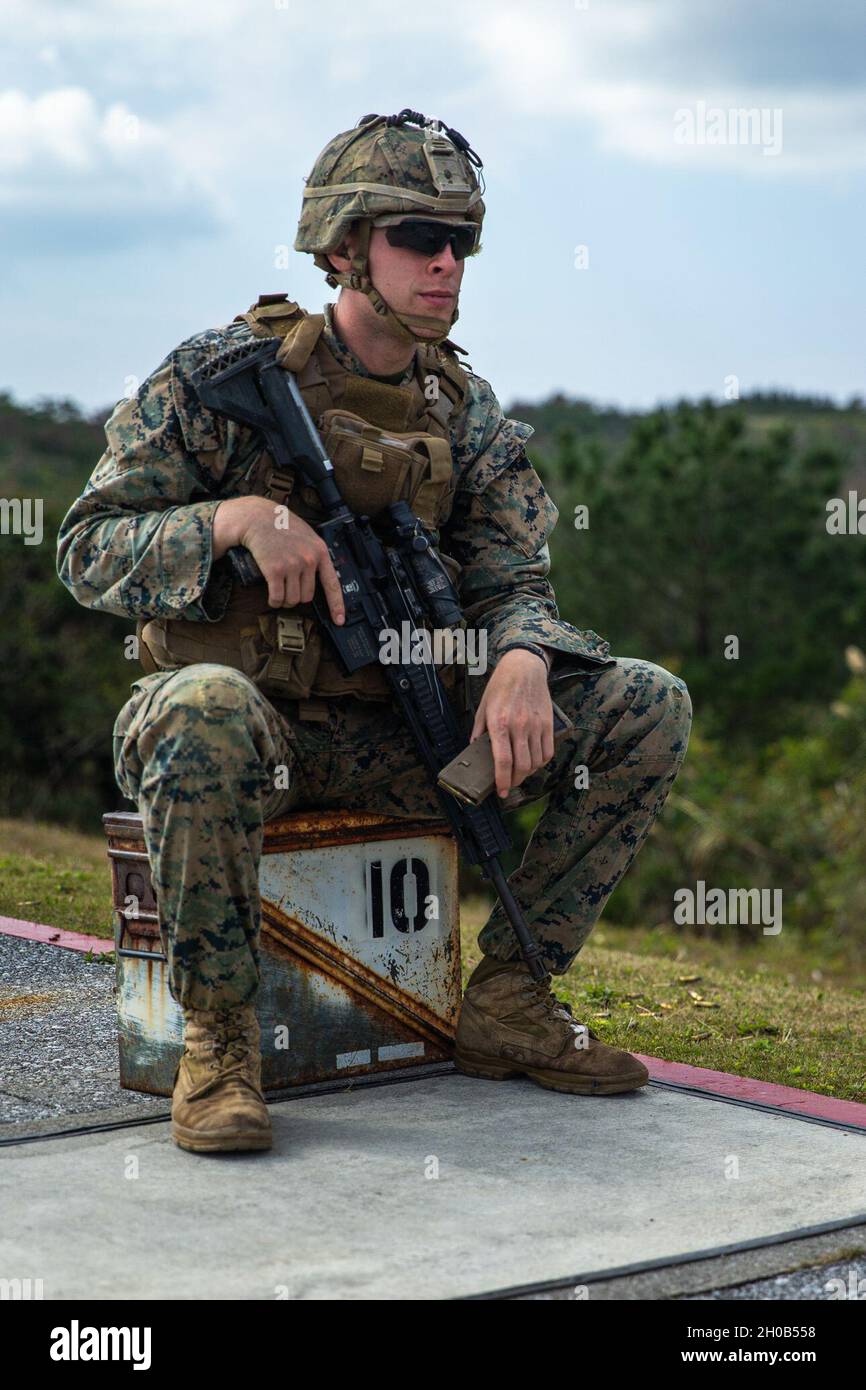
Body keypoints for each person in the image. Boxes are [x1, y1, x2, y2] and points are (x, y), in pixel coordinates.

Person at [56, 110, 692, 1155]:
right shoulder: (224, 379)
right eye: (415, 237)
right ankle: (217, 1042)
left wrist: (525, 656)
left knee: (644, 701)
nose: (445, 264)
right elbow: (86, 548)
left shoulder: (462, 409)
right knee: (198, 708)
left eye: (461, 243)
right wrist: (233, 522)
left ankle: (509, 1002)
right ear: (345, 248)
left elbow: (512, 570)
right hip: (252, 741)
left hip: (407, 740)